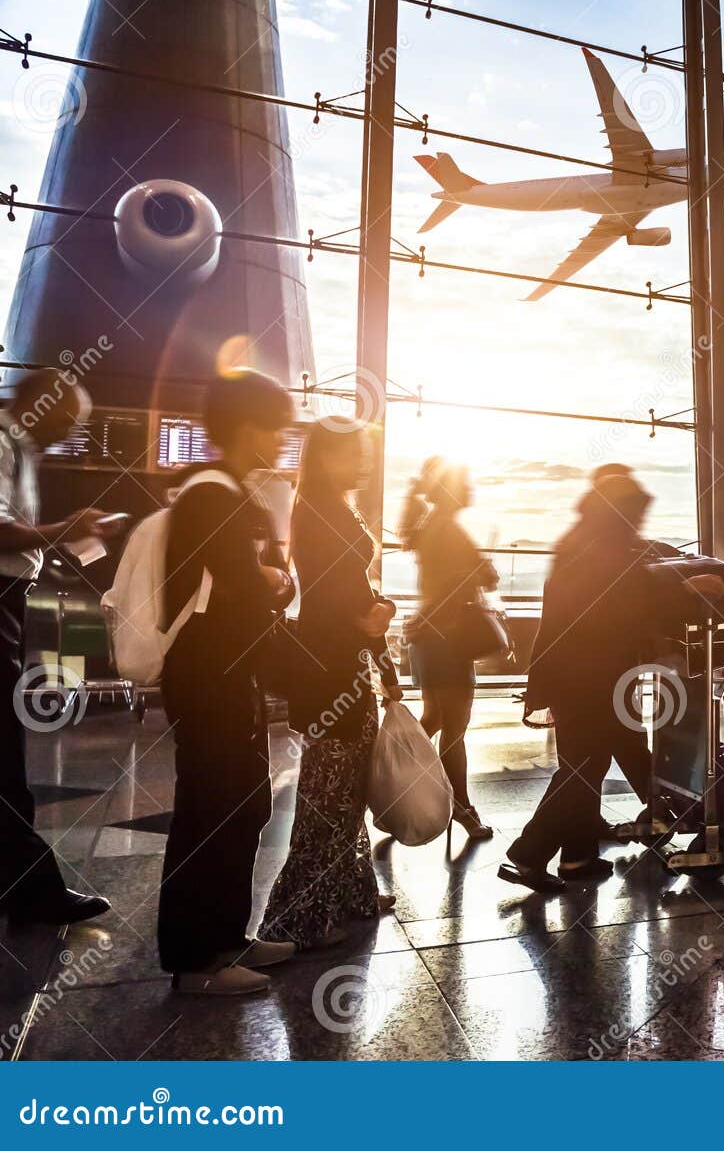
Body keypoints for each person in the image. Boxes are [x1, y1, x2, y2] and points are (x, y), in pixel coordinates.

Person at [502, 473, 724, 891]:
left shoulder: (585, 538)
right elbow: (627, 598)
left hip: (581, 674)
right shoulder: (600, 548)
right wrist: (689, 586)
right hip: (588, 676)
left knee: (589, 762)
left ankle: (577, 857)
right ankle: (527, 855)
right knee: (582, 769)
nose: (639, 522)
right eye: (636, 513)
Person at [159, 370, 298, 995]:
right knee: (209, 811)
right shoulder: (211, 494)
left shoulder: (233, 491)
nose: (282, 437)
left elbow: (267, 581)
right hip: (206, 677)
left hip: (228, 675)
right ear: (250, 426)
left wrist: (272, 581)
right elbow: (248, 586)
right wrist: (270, 582)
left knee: (244, 803)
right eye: (276, 425)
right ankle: (194, 960)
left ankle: (227, 935)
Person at [260, 418, 401, 949]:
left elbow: (356, 592)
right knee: (329, 794)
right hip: (331, 669)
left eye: (365, 453)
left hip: (337, 663)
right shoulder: (322, 510)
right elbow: (341, 596)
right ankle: (301, 915)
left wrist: (380, 613)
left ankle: (350, 894)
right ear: (324, 458)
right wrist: (376, 616)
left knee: (344, 791)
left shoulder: (325, 506)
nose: (363, 463)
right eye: (352, 454)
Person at [0, 369, 118, 927]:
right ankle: (31, 891)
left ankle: (22, 887)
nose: (69, 433)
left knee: (7, 748)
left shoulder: (21, 449)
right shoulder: (2, 442)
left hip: (10, 598)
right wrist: (65, 528)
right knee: (2, 748)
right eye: (66, 420)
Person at [399, 458, 498, 839]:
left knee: (435, 720)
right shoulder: (451, 531)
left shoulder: (430, 527)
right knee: (454, 729)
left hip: (430, 640)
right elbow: (483, 579)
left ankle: (393, 789)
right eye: (465, 481)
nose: (471, 487)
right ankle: (462, 808)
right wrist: (481, 569)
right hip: (449, 641)